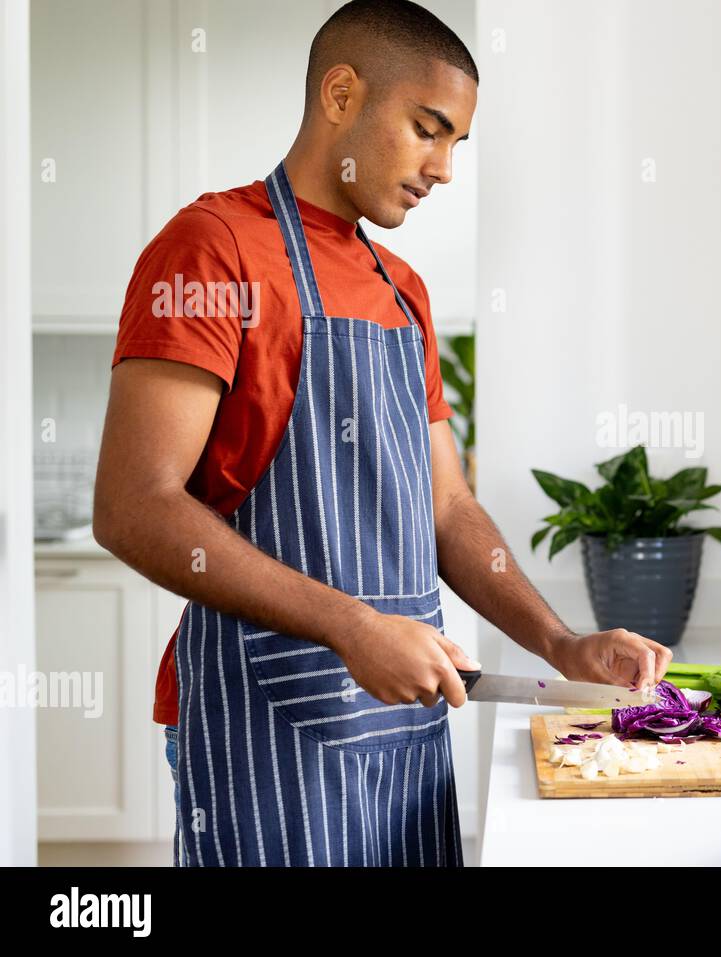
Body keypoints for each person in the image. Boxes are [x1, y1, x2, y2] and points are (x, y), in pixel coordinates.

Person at [94, 0, 671, 868]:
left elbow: (445, 506)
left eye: (456, 146)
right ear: (340, 94)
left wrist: (558, 642)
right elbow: (134, 506)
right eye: (426, 130)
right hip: (265, 732)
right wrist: (352, 626)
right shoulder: (212, 251)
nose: (442, 169)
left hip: (403, 732)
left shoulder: (403, 290)